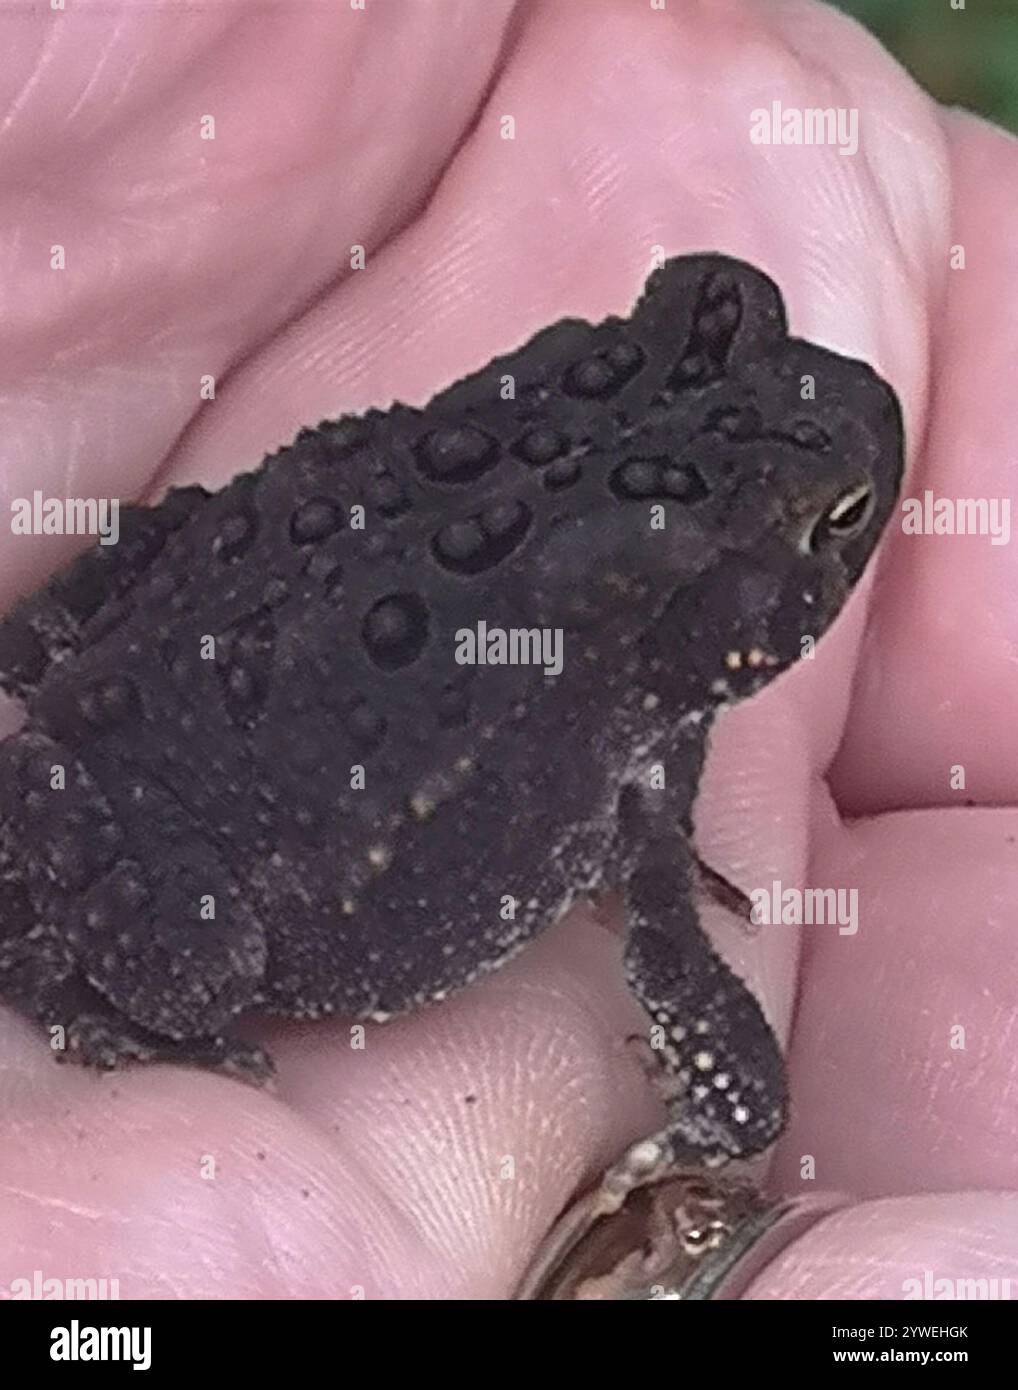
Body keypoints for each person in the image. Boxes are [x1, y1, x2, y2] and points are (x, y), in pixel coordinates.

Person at [1, 0, 1014, 1300]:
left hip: (195, 618)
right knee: (185, 960)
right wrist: (717, 1136)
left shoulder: (622, 689)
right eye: (825, 527)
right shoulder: (626, 724)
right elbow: (732, 1073)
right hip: (186, 826)